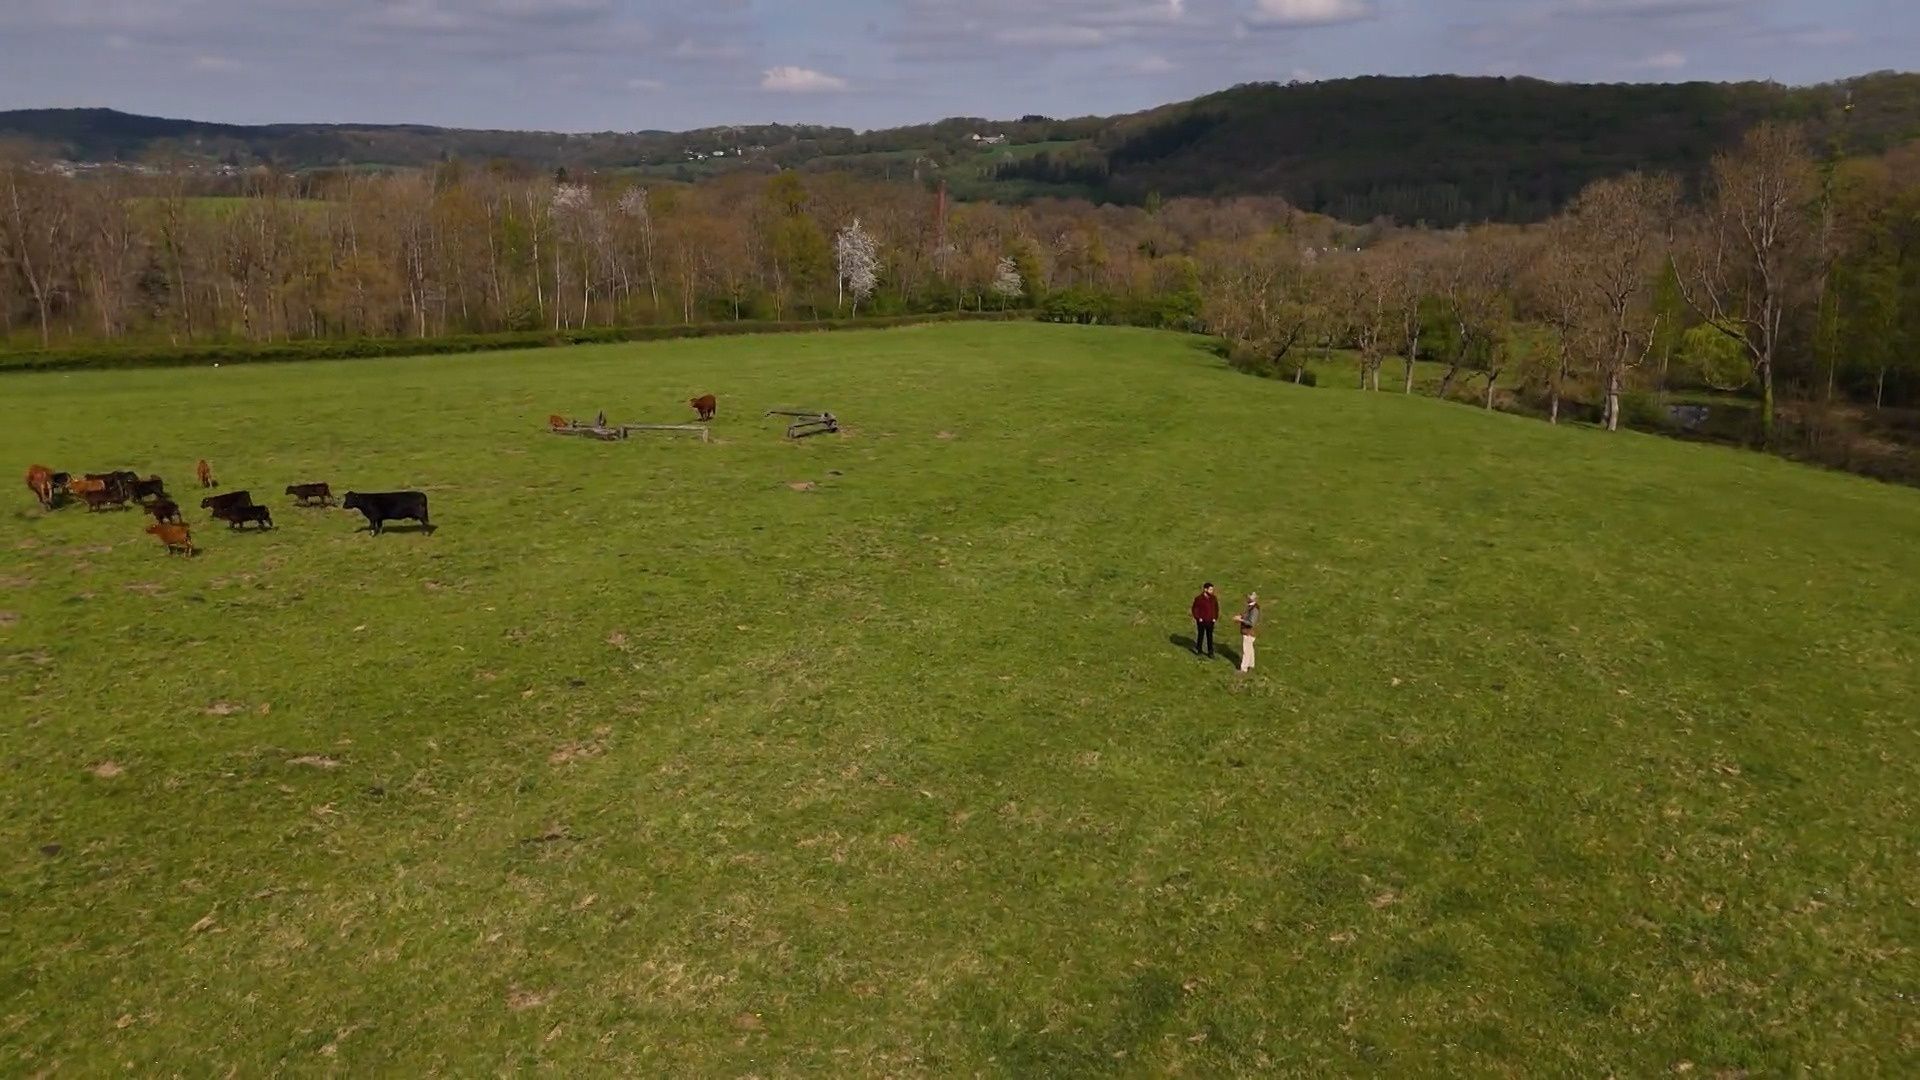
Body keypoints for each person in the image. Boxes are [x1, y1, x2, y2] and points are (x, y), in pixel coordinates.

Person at [1189, 582, 1219, 658]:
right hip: (1202, 621)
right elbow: (1195, 609)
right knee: (1201, 635)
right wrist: (1198, 618)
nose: (1212, 591)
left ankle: (1210, 652)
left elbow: (1216, 608)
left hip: (1210, 620)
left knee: (1210, 636)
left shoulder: (1213, 598)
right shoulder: (1199, 599)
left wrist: (1215, 617)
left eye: (1212, 589)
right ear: (1205, 589)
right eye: (1210, 589)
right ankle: (1199, 649)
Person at [1234, 592, 1261, 673]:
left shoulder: (1254, 609)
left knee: (1246, 650)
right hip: (1248, 631)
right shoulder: (1251, 607)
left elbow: (1251, 622)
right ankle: (1251, 664)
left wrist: (1240, 620)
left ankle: (1244, 668)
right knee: (1250, 649)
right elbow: (1247, 616)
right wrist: (1241, 616)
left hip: (1249, 632)